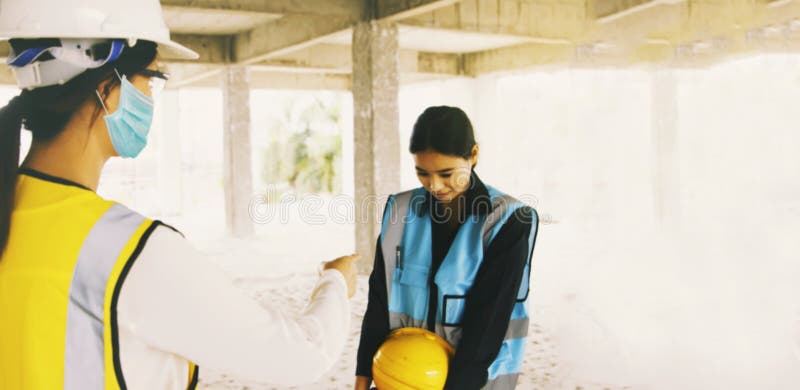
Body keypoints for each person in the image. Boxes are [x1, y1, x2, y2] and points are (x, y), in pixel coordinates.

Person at [0, 1, 358, 389]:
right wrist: (336, 282)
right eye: (151, 80)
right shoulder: (126, 251)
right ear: (107, 90)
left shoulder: (11, 213)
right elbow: (297, 359)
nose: (152, 98)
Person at [354, 106, 539, 390]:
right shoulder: (399, 212)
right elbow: (379, 300)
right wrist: (363, 377)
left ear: (473, 155)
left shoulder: (508, 221)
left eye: (446, 173)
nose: (434, 185)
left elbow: (486, 329)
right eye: (422, 173)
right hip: (400, 378)